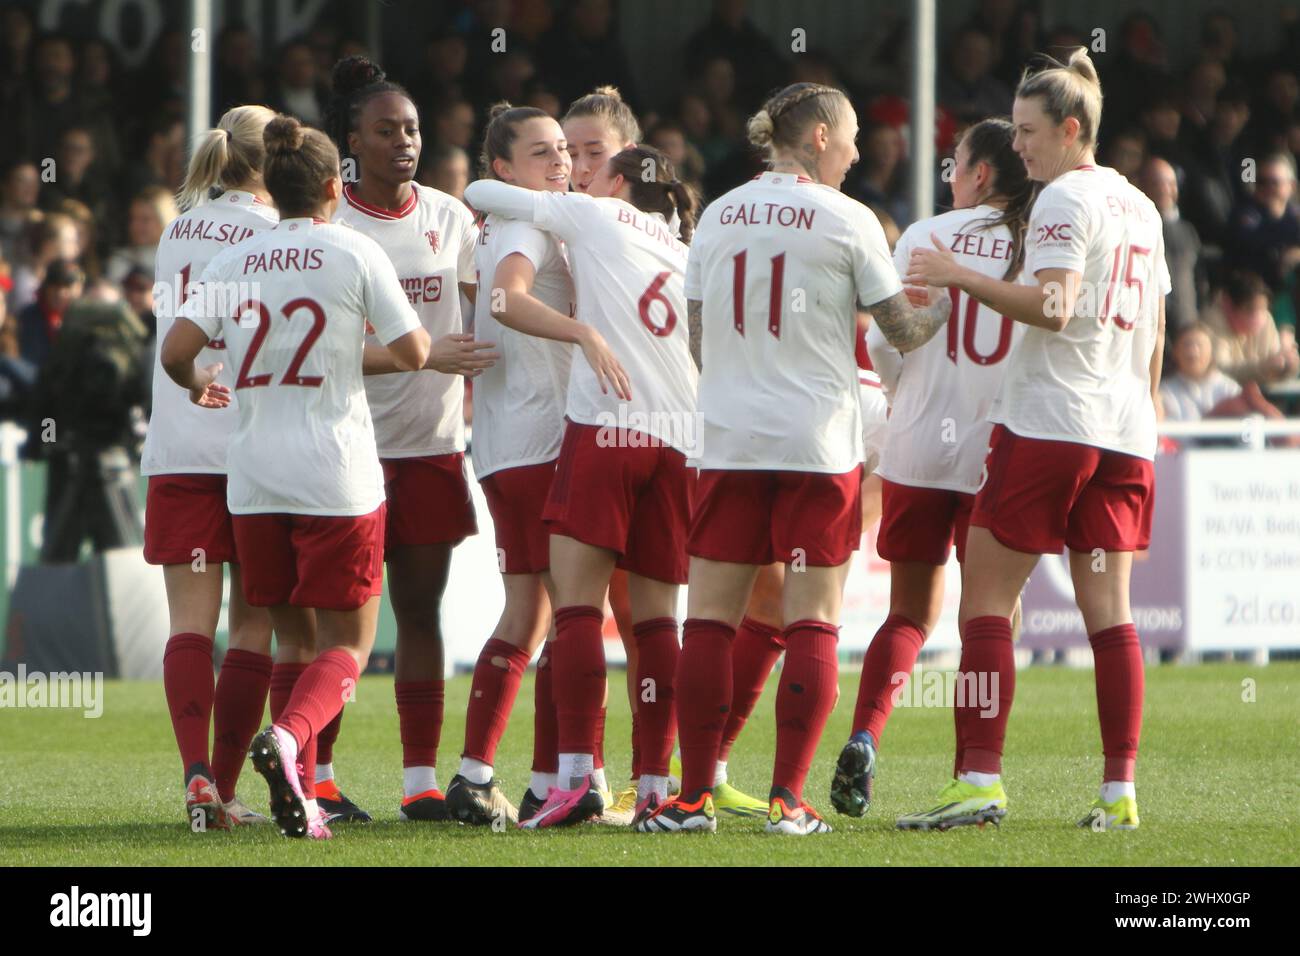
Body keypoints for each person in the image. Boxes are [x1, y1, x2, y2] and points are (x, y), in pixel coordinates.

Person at [649, 82, 952, 836]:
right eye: (850, 137)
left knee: (710, 620)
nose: (855, 152)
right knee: (812, 621)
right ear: (818, 137)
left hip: (729, 436)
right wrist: (945, 305)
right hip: (817, 441)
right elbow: (903, 334)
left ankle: (692, 800)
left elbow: (694, 338)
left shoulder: (717, 215)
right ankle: (789, 799)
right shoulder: (848, 219)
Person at [903, 48, 1169, 832]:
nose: (1015, 147)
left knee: (985, 602)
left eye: (1026, 131)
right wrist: (1144, 419)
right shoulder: (1141, 206)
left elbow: (1053, 308)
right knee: (1112, 617)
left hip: (1052, 420)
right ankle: (1119, 792)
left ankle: (979, 779)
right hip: (1123, 429)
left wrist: (957, 274)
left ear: (1071, 128)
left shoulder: (1062, 201)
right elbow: (1153, 334)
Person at [161, 116, 431, 839]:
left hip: (253, 480)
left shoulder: (235, 261)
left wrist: (195, 381)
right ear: (334, 188)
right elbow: (413, 351)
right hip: (336, 473)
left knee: (291, 639)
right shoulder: (353, 249)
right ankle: (287, 742)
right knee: (350, 642)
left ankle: (304, 793)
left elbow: (174, 349)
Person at [464, 143, 699, 829]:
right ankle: (657, 788)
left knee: (575, 613)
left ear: (620, 182)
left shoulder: (596, 217)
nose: (580, 175)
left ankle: (574, 779)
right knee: (658, 624)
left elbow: (483, 194)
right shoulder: (683, 251)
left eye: (595, 170)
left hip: (607, 430)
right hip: (678, 437)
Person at [830, 117, 1034, 818]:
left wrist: (906, 394)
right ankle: (973, 773)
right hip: (997, 451)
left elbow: (888, 345)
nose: (949, 172)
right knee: (990, 618)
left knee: (908, 614)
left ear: (980, 174)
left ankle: (865, 734)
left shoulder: (922, 236)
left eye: (956, 162)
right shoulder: (1039, 238)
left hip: (919, 445)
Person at [326, 56, 491, 823]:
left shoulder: (449, 217)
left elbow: (485, 317)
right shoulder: (331, 227)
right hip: (347, 447)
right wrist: (416, 350)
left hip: (430, 445)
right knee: (339, 620)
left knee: (420, 610)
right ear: (352, 140)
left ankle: (420, 781)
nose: (405, 141)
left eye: (414, 128)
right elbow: (326, 344)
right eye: (387, 129)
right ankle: (317, 775)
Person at [143, 105, 286, 829]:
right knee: (254, 625)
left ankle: (197, 776)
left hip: (178, 442)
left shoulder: (177, 228)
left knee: (188, 626)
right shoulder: (274, 232)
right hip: (253, 440)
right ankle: (225, 793)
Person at [449, 102, 589, 824]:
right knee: (563, 614)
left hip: (511, 440)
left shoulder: (508, 222)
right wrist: (583, 333)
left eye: (563, 148)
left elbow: (479, 303)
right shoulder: (527, 225)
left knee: (533, 612)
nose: (560, 161)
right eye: (541, 152)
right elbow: (505, 299)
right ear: (502, 168)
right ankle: (543, 780)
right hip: (538, 441)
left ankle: (503, 778)